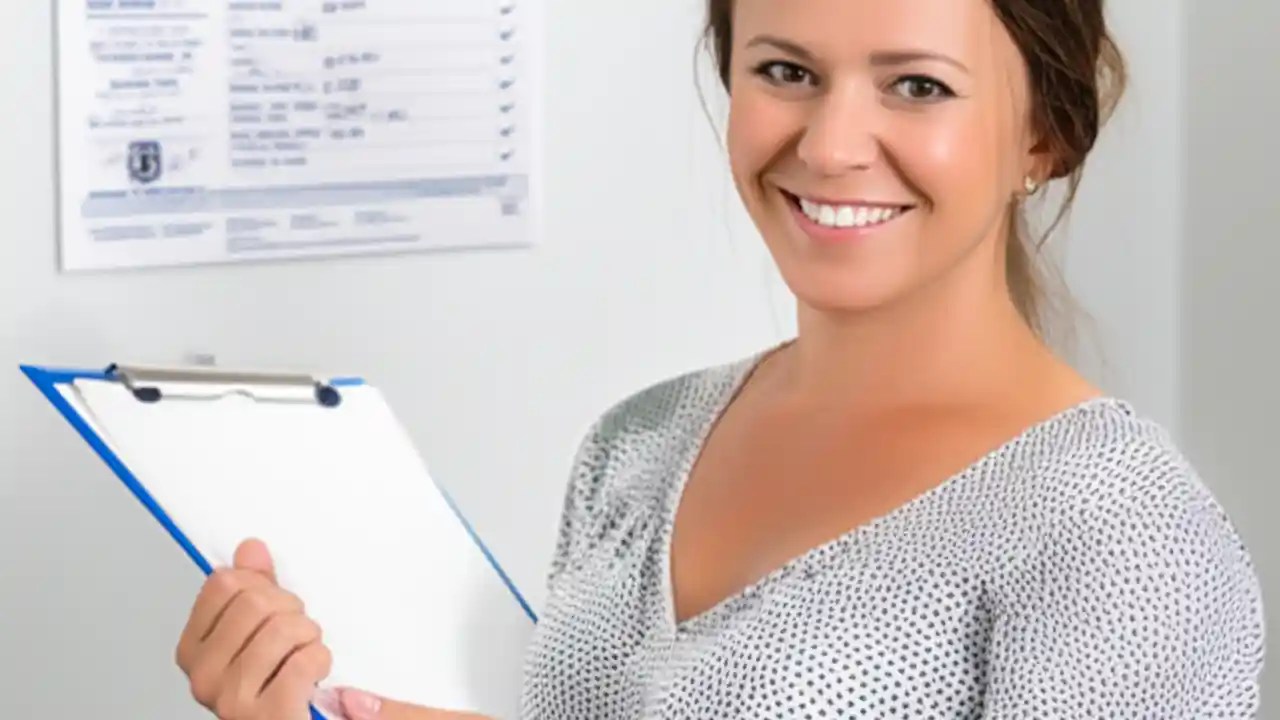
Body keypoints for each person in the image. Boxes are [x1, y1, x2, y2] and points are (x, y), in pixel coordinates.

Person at [172, 0, 1267, 718]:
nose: (830, 145)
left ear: (1042, 135)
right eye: (785, 70)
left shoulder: (1120, 533)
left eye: (916, 86)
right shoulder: (638, 444)